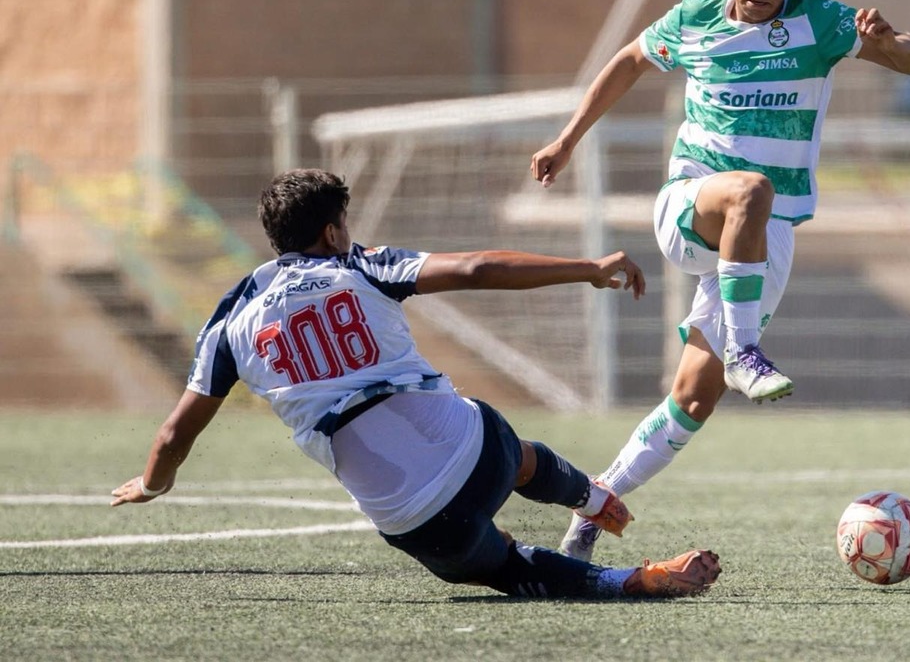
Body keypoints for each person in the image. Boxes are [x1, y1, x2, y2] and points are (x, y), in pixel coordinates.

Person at [530, 0, 910, 561]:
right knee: (749, 188)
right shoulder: (694, 20)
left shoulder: (819, 22)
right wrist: (567, 140)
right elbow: (629, 60)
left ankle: (592, 511)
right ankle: (746, 352)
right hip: (692, 207)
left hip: (767, 235)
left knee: (692, 399)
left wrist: (889, 42)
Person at [111, 168, 721, 599]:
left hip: (413, 516)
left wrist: (152, 484)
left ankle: (631, 580)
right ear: (331, 232)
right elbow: (477, 268)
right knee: (519, 457)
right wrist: (586, 268)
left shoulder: (232, 319)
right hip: (478, 448)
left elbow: (172, 436)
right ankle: (593, 500)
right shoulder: (358, 264)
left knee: (502, 567)